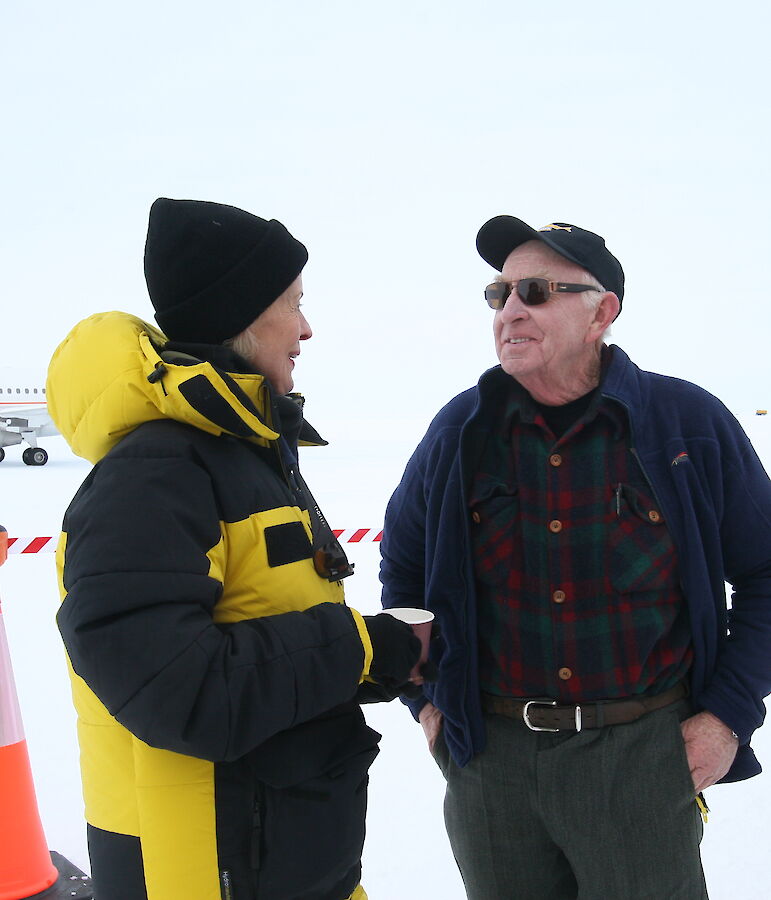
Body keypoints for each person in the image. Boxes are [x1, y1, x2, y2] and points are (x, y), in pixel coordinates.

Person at [379, 215, 771, 899]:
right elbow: (405, 574)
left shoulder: (686, 425)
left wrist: (725, 718)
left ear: (601, 313)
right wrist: (427, 702)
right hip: (491, 764)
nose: (510, 310)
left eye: (534, 291)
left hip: (639, 756)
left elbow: (765, 576)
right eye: (498, 294)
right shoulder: (460, 431)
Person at [47, 198, 423, 900]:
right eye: (294, 304)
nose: (306, 329)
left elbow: (257, 636)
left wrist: (378, 661)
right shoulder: (155, 475)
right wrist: (359, 647)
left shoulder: (238, 456)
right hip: (200, 870)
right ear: (241, 315)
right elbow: (179, 691)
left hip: (286, 860)